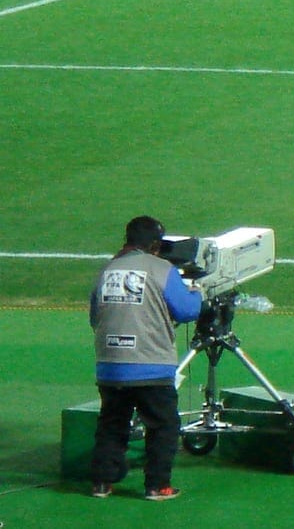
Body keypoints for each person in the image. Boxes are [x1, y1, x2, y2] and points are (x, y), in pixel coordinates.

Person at [89, 214, 203, 500]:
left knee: (112, 424)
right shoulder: (161, 269)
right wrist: (198, 293)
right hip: (150, 365)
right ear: (155, 245)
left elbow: (94, 316)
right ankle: (157, 485)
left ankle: (102, 483)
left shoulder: (108, 270)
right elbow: (187, 310)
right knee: (163, 426)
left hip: (110, 366)